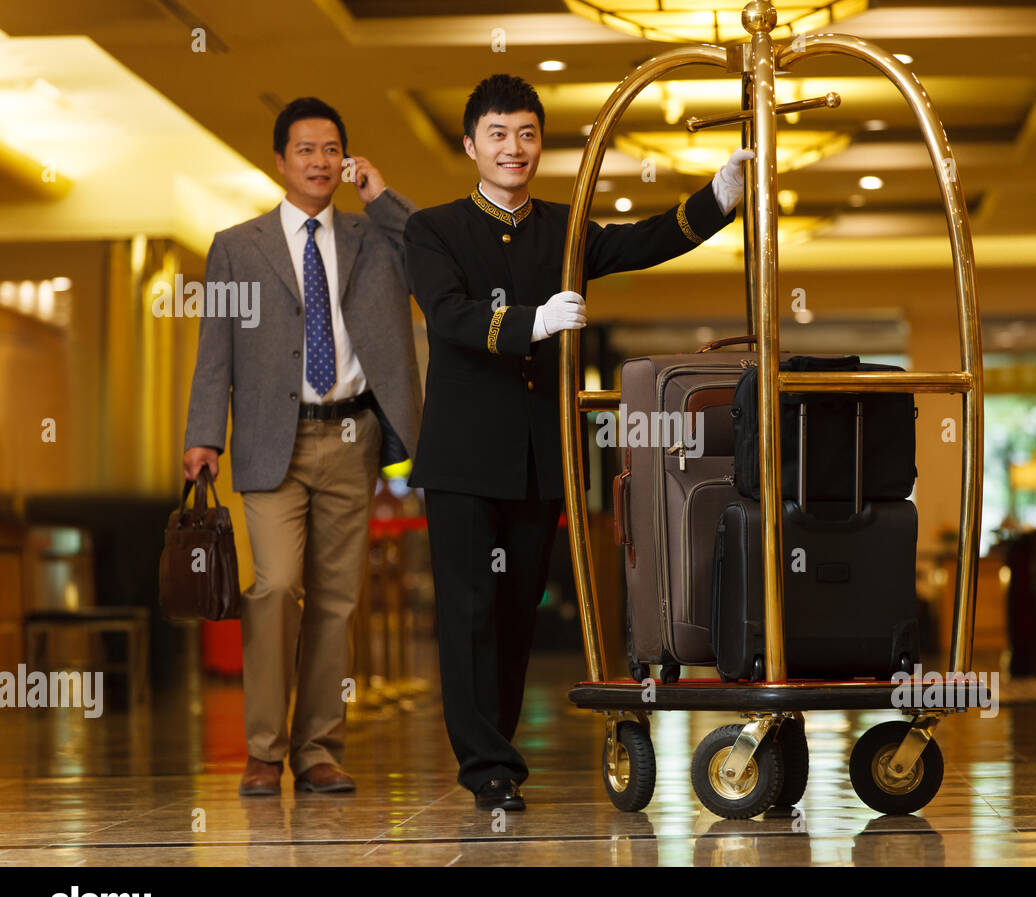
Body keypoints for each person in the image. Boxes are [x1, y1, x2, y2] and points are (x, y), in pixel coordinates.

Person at [404, 73, 751, 812]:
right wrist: (531, 321)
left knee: (517, 611)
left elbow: (642, 242)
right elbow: (448, 315)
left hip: (539, 456)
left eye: (527, 133)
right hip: (465, 456)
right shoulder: (433, 228)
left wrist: (717, 197)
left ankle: (494, 749)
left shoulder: (564, 227)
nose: (514, 148)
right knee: (468, 614)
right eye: (497, 134)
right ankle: (488, 768)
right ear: (471, 145)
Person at [182, 97, 421, 796]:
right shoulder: (236, 245)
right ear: (280, 161)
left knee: (337, 600)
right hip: (267, 440)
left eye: (333, 150)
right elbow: (215, 348)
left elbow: (432, 261)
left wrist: (383, 200)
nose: (321, 162)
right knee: (276, 585)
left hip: (353, 435)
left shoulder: (375, 239)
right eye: (307, 150)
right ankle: (264, 747)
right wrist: (203, 435)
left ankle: (318, 750)